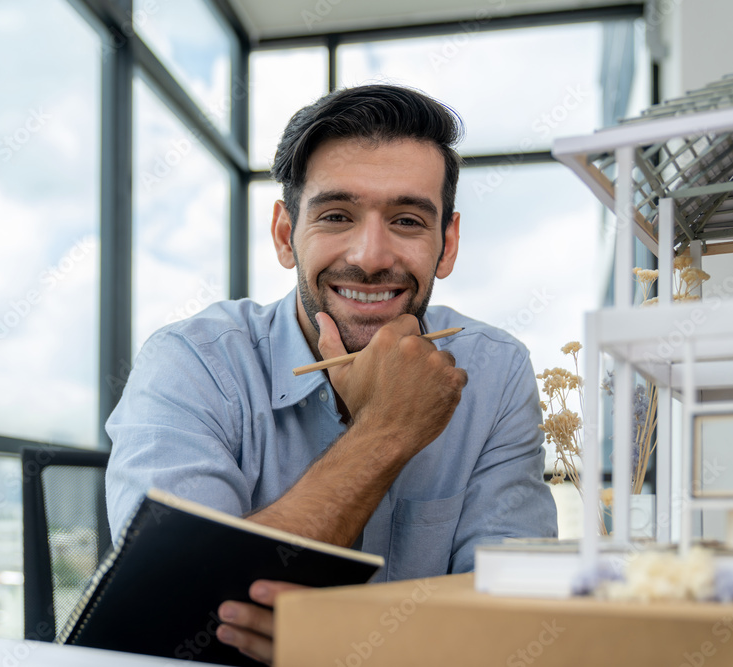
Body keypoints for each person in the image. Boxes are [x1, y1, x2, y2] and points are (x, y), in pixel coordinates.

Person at [104, 84, 557, 664]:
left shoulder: (495, 371)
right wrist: (387, 431)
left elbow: (511, 625)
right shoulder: (192, 363)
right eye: (337, 215)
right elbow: (179, 614)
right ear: (285, 234)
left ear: (447, 244)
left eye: (408, 220)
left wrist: (347, 639)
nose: (370, 256)